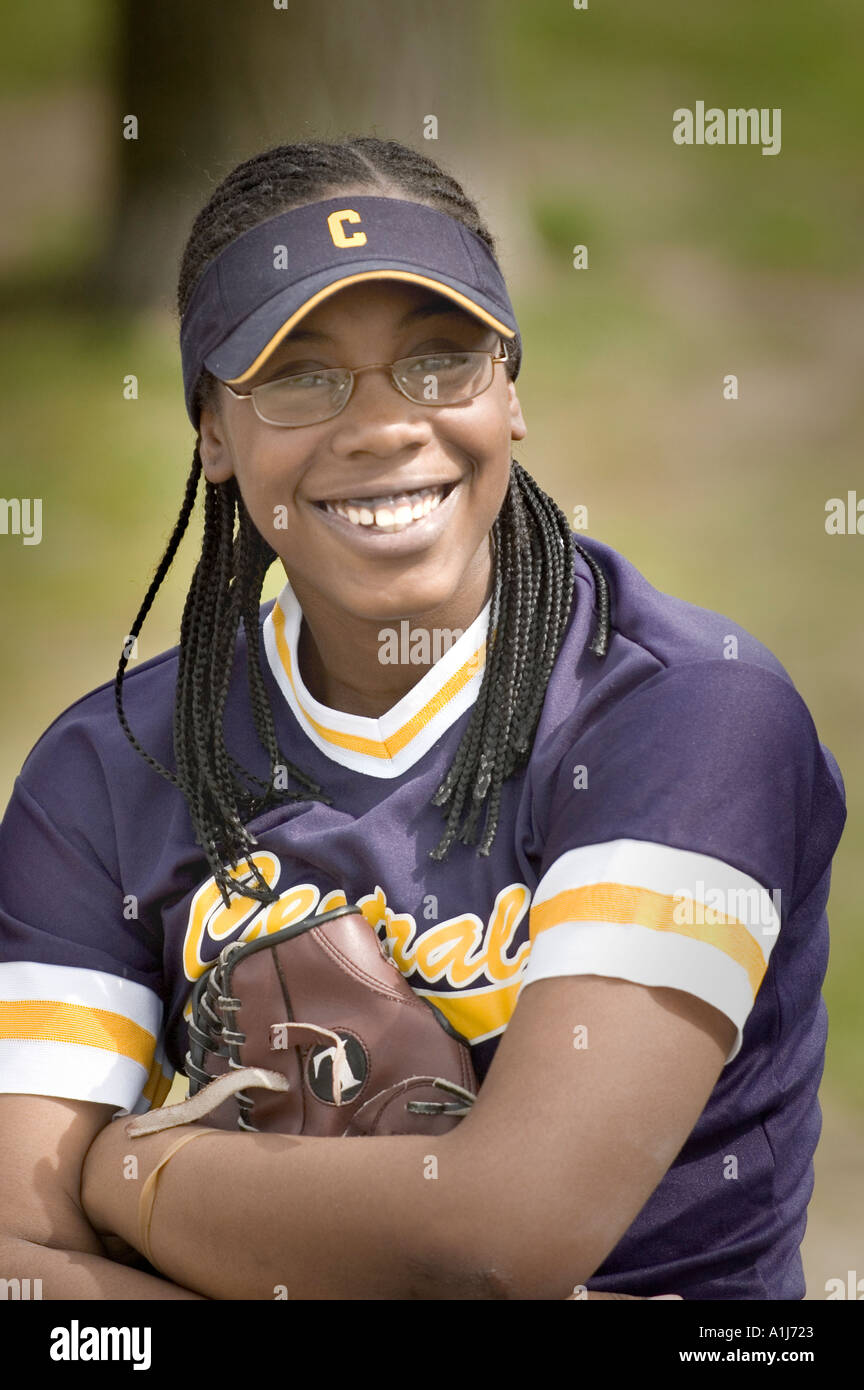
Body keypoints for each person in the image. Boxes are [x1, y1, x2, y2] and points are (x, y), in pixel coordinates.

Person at [0, 137, 845, 1302]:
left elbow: (506, 1234)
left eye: (440, 361)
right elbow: (25, 1274)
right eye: (302, 375)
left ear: (512, 392)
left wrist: (132, 1174)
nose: (386, 425)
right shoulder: (108, 769)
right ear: (210, 432)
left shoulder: (692, 716)